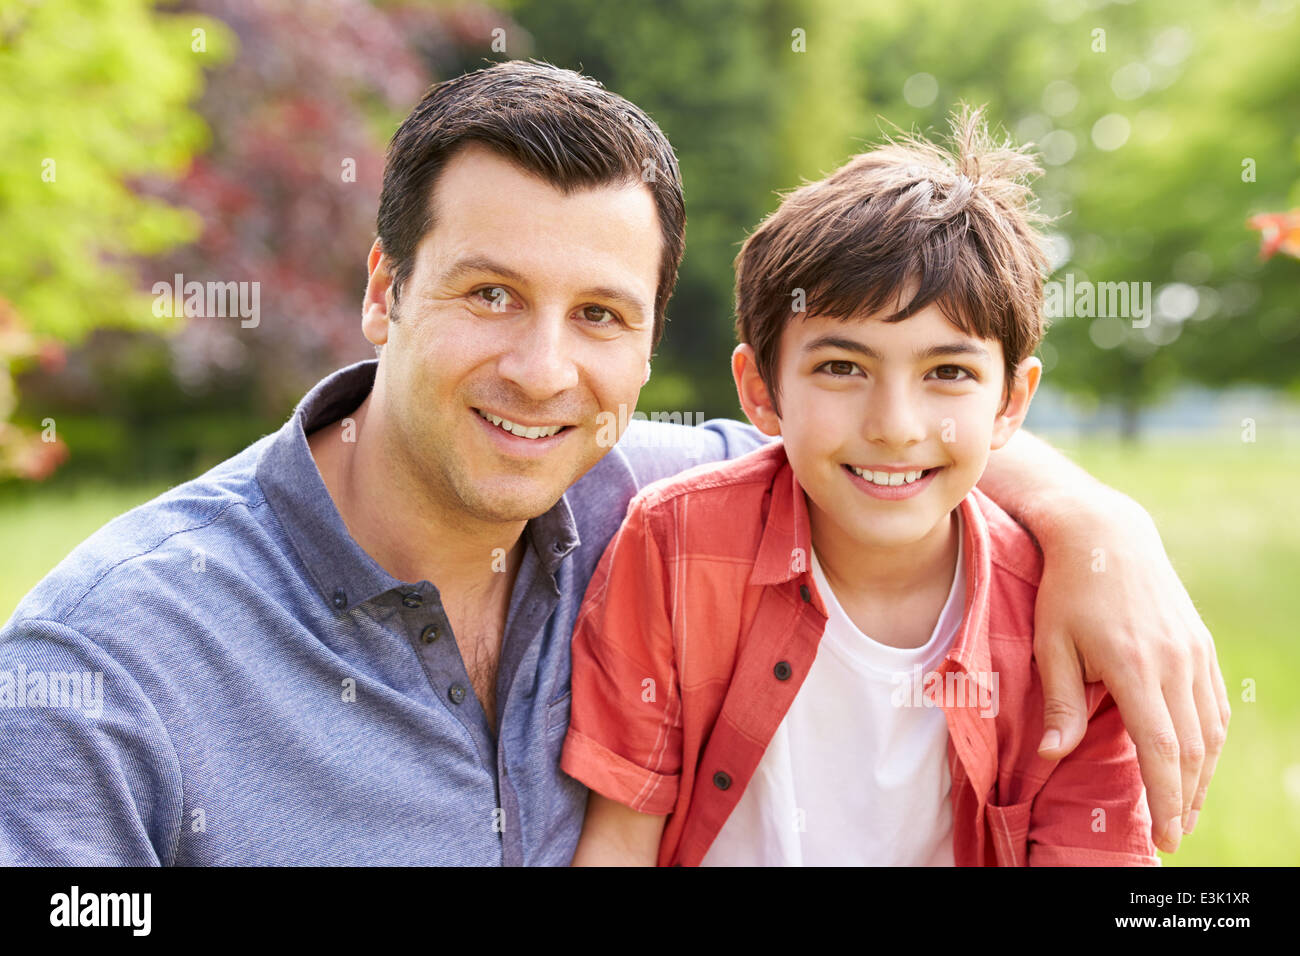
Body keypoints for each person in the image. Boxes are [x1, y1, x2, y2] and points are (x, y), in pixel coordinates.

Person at [0, 61, 1223, 866]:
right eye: (490, 293)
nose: (542, 372)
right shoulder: (112, 662)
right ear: (385, 291)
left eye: (599, 314)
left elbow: (888, 452)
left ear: (649, 339)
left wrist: (1094, 525)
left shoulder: (650, 491)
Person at [563, 108, 1159, 865]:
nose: (894, 426)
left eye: (948, 373)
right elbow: (620, 841)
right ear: (761, 390)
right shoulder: (676, 545)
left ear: (1010, 401)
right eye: (842, 367)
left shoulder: (1066, 613)